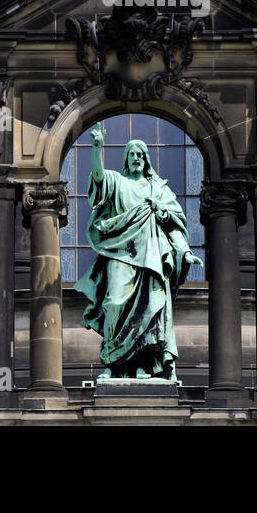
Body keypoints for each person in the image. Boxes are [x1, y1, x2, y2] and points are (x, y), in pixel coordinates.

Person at [75, 124, 201, 381]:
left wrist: (185, 251)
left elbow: (174, 225)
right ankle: (112, 362)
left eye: (140, 154)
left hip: (151, 259)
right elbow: (98, 178)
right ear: (125, 159)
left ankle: (142, 364)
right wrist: (97, 147)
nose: (136, 158)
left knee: (149, 309)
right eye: (131, 154)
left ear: (146, 161)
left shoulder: (159, 190)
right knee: (113, 304)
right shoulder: (117, 182)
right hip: (120, 253)